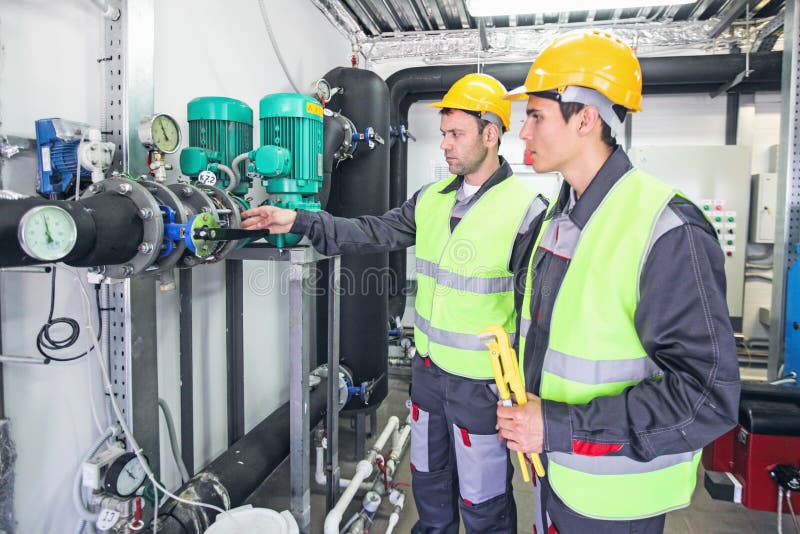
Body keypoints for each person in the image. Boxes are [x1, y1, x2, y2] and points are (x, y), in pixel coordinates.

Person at [242, 73, 548, 533]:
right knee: (428, 486)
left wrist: (532, 397)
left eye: (455, 134)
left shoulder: (527, 210)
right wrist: (298, 219)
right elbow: (370, 231)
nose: (445, 145)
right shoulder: (430, 200)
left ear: (491, 134)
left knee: (484, 502)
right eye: (443, 134)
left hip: (480, 388)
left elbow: (537, 318)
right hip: (427, 376)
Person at [494, 30, 740, 534]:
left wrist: (557, 425)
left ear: (585, 118)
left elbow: (707, 398)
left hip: (615, 501)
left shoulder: (668, 228)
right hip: (556, 475)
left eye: (536, 116)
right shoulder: (558, 219)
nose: (522, 133)